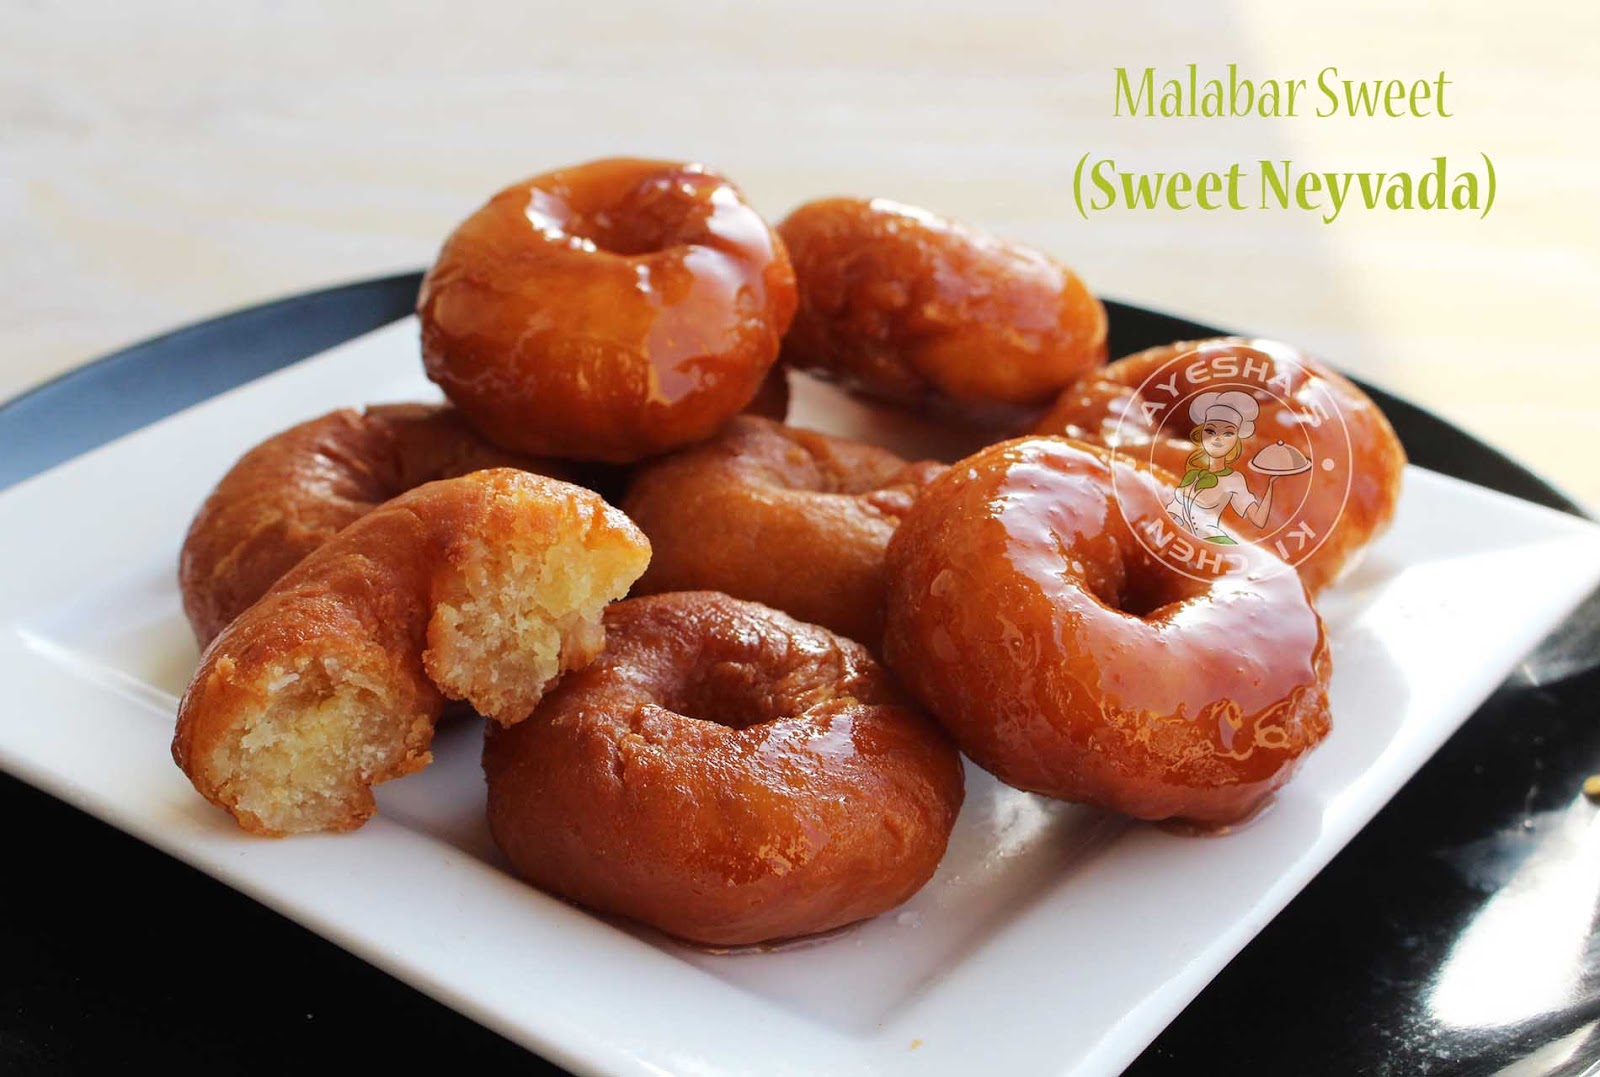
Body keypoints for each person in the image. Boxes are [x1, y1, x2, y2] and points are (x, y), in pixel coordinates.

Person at [1165, 390, 1276, 542]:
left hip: (1221, 546)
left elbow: (1258, 519)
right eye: (1211, 431)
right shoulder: (1189, 473)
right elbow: (1170, 509)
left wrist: (1270, 488)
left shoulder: (1236, 479)